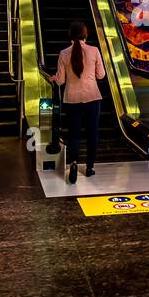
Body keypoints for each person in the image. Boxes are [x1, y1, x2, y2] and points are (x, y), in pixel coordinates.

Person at [55, 20, 106, 184]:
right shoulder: (94, 50)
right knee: (92, 133)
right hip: (92, 97)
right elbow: (101, 75)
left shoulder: (64, 53)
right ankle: (90, 167)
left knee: (74, 133)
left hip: (72, 98)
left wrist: (53, 78)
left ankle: (74, 163)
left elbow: (61, 80)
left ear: (70, 35)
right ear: (85, 34)